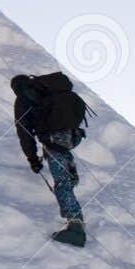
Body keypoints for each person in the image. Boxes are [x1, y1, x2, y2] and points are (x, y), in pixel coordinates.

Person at [11, 74, 86, 247]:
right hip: (73, 134)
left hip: (54, 138)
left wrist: (32, 159)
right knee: (62, 161)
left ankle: (75, 228)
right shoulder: (49, 88)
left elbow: (24, 132)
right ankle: (70, 174)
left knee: (62, 182)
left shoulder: (23, 99)